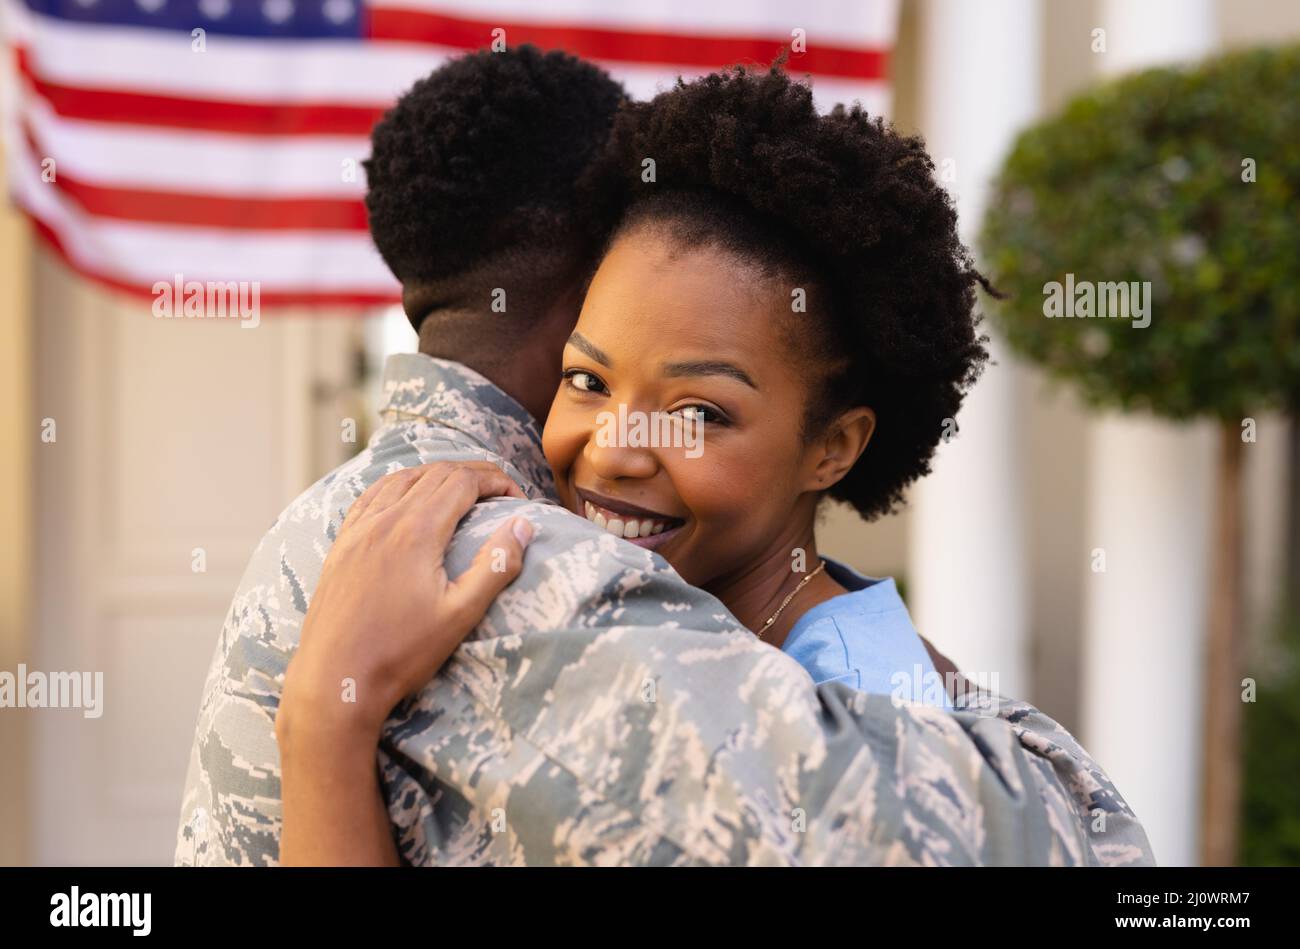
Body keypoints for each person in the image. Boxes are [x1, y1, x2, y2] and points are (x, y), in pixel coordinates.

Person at [262, 64, 1156, 865]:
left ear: (833, 447)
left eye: (699, 413)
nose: (614, 449)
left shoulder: (864, 713)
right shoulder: (651, 634)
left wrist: (324, 724)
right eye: (587, 379)